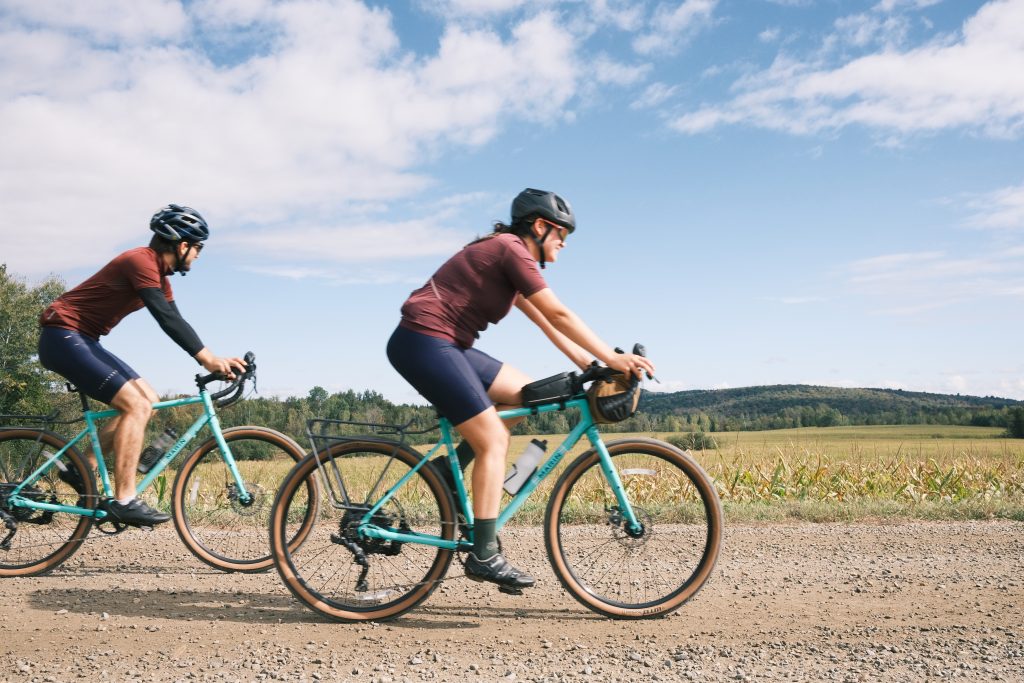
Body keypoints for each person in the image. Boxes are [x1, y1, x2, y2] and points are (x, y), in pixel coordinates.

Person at [387, 188, 655, 590]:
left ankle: (449, 470)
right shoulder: (510, 249)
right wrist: (613, 359)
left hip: (447, 345)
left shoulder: (512, 261)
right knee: (493, 438)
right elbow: (559, 313)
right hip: (423, 341)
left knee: (523, 394)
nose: (564, 243)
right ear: (541, 225)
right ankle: (483, 554)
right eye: (562, 234)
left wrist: (592, 366)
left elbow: (547, 324)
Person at [37, 204, 246, 527]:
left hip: (83, 338)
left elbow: (175, 318)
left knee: (149, 400)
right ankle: (124, 499)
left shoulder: (160, 278)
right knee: (135, 405)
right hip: (63, 335)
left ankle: (82, 467)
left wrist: (216, 358)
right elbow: (164, 317)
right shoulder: (140, 261)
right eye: (198, 248)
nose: (199, 256)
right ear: (181, 244)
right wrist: (208, 359)